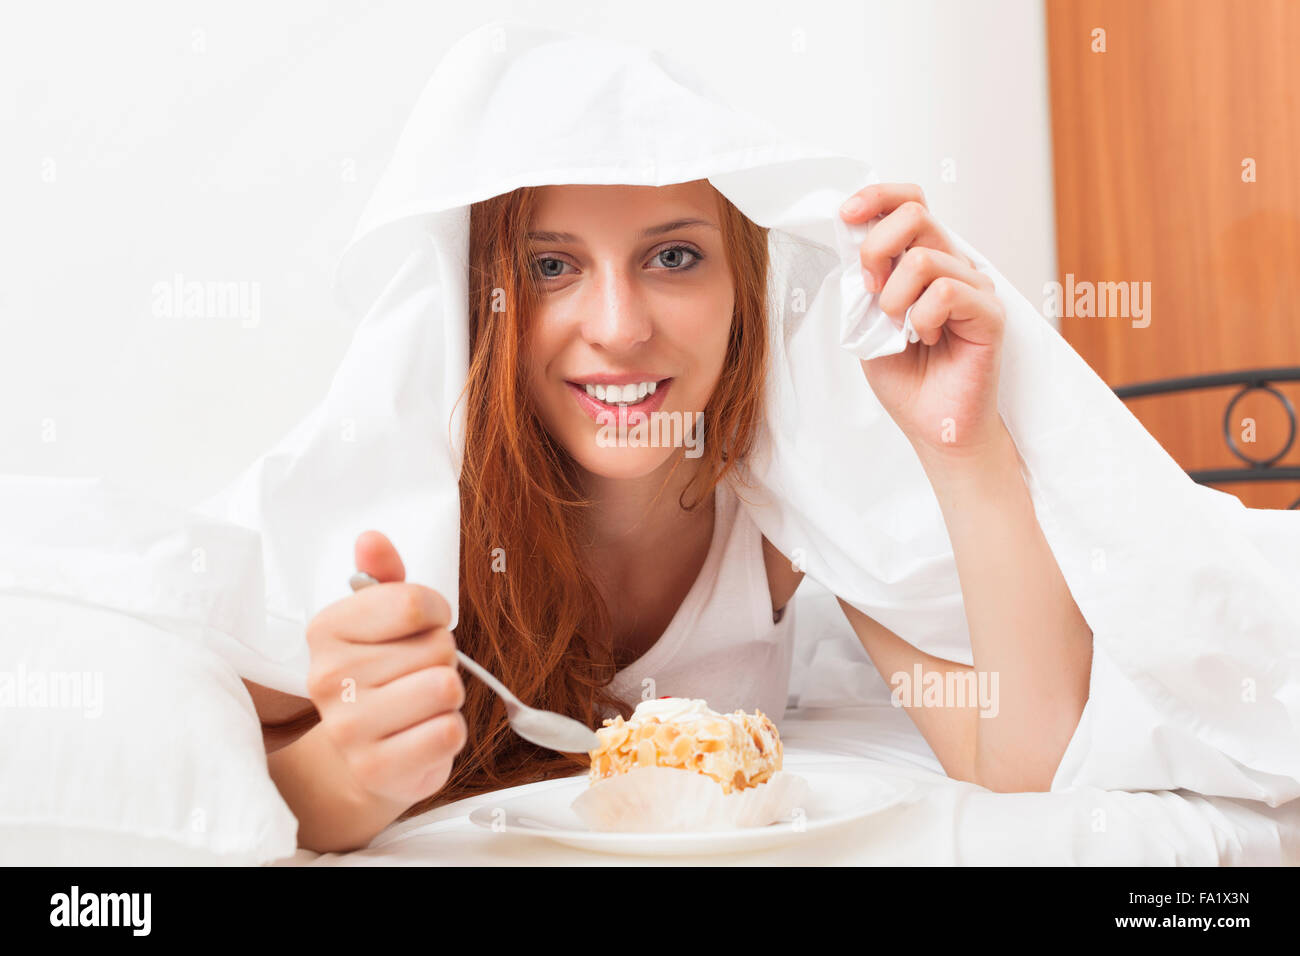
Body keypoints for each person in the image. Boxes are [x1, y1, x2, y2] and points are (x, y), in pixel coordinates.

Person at [245, 177, 1093, 853]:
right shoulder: (417, 518)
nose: (619, 329)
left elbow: (1025, 776)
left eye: (674, 256)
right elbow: (236, 795)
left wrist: (966, 449)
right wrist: (348, 778)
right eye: (551, 267)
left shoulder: (785, 501)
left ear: (745, 289)